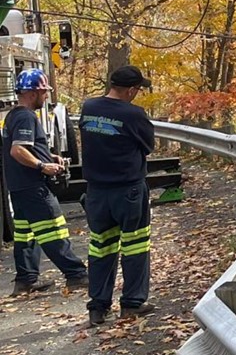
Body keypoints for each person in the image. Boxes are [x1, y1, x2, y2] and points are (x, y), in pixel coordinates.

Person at [79, 65, 156, 327]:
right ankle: (132, 304)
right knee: (135, 246)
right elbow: (147, 146)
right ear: (132, 90)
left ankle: (98, 308)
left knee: (101, 248)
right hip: (128, 190)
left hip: (96, 193)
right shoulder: (134, 114)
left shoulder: (88, 107)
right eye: (138, 89)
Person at [2, 68, 88, 295]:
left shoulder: (13, 115)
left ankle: (25, 280)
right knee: (54, 230)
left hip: (19, 188)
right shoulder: (25, 116)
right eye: (43, 92)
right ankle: (76, 275)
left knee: (26, 235)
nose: (46, 96)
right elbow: (18, 150)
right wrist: (43, 166)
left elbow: (26, 147)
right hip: (33, 187)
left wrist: (49, 156)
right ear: (31, 93)